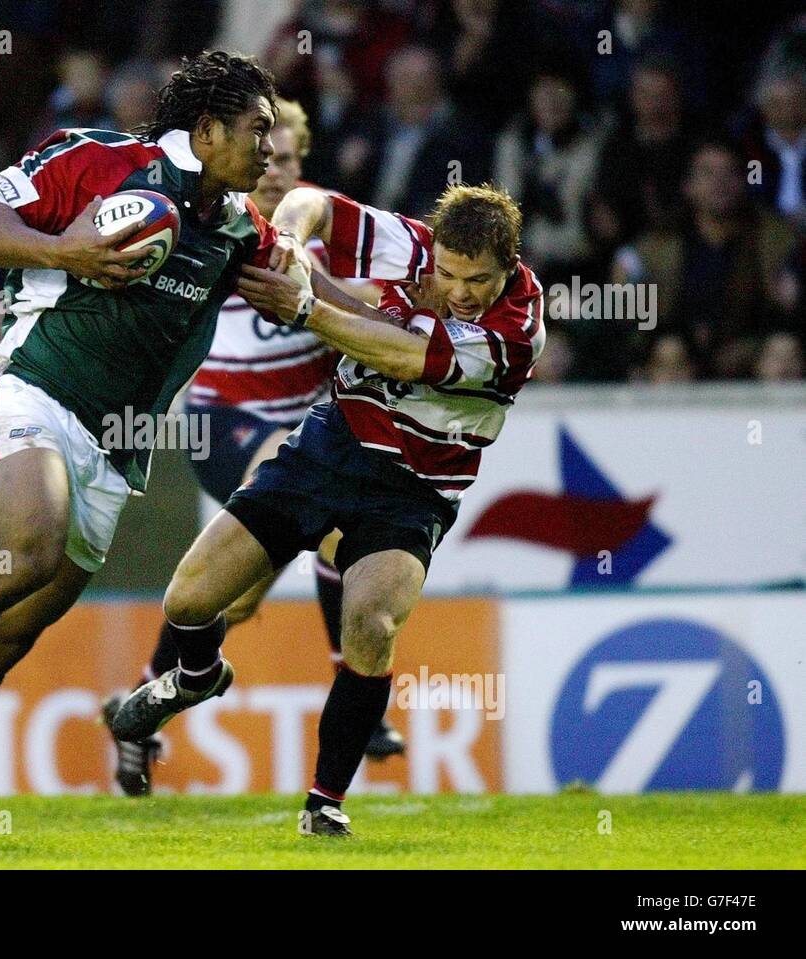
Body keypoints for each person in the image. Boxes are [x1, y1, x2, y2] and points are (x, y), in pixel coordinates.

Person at [0, 51, 307, 843]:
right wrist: (64, 251)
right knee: (25, 552)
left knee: (6, 636)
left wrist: (330, 296)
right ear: (207, 131)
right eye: (258, 130)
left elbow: (306, 282)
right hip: (33, 386)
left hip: (113, 449)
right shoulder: (97, 158)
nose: (270, 150)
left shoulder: (238, 229)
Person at [108, 182, 545, 836]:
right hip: (325, 449)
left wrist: (308, 303)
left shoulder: (519, 328)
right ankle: (194, 677)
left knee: (370, 622)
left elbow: (405, 354)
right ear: (434, 253)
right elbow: (317, 203)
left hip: (415, 489)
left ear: (509, 266)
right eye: (448, 274)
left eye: (478, 279)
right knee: (189, 600)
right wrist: (288, 238)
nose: (460, 291)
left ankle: (324, 803)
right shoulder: (408, 246)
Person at [101, 97, 404, 798]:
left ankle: (140, 707)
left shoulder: (323, 244)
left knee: (229, 601)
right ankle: (355, 680)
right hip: (226, 424)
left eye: (292, 159)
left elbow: (369, 312)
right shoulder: (211, 228)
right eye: (270, 156)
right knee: (330, 511)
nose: (277, 172)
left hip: (309, 435)